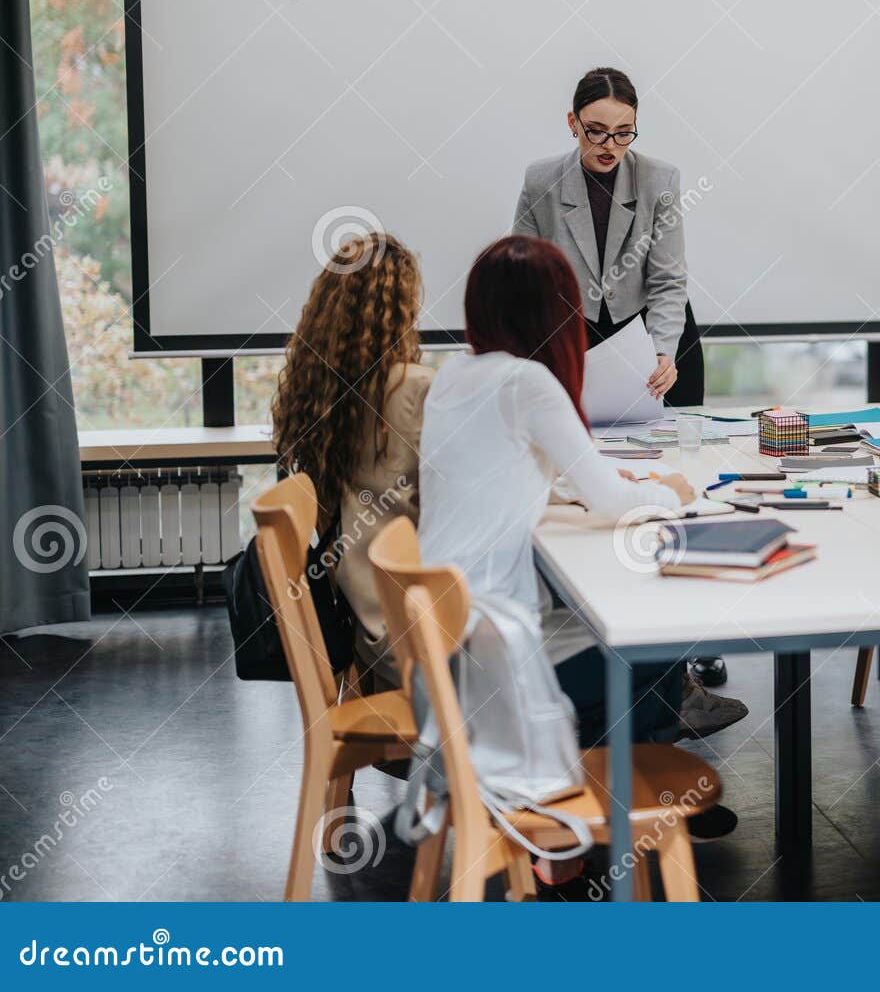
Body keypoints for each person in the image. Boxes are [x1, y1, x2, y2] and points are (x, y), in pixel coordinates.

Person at [416, 234, 739, 841]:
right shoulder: (529, 383)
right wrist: (672, 489)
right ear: (555, 313)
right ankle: (633, 802)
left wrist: (580, 487)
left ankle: (600, 798)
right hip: (498, 668)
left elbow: (504, 470)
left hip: (446, 656)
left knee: (607, 621)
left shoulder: (454, 376)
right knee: (660, 643)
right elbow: (615, 503)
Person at [270, 232, 432, 692]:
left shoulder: (317, 393)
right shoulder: (417, 389)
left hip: (361, 619)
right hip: (411, 636)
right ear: (401, 309)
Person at [512, 65, 703, 407]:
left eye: (624, 132)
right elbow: (523, 282)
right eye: (597, 132)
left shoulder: (660, 180)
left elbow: (668, 282)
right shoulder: (541, 181)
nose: (610, 146)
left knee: (667, 448)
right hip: (572, 331)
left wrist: (662, 352)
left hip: (652, 329)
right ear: (573, 123)